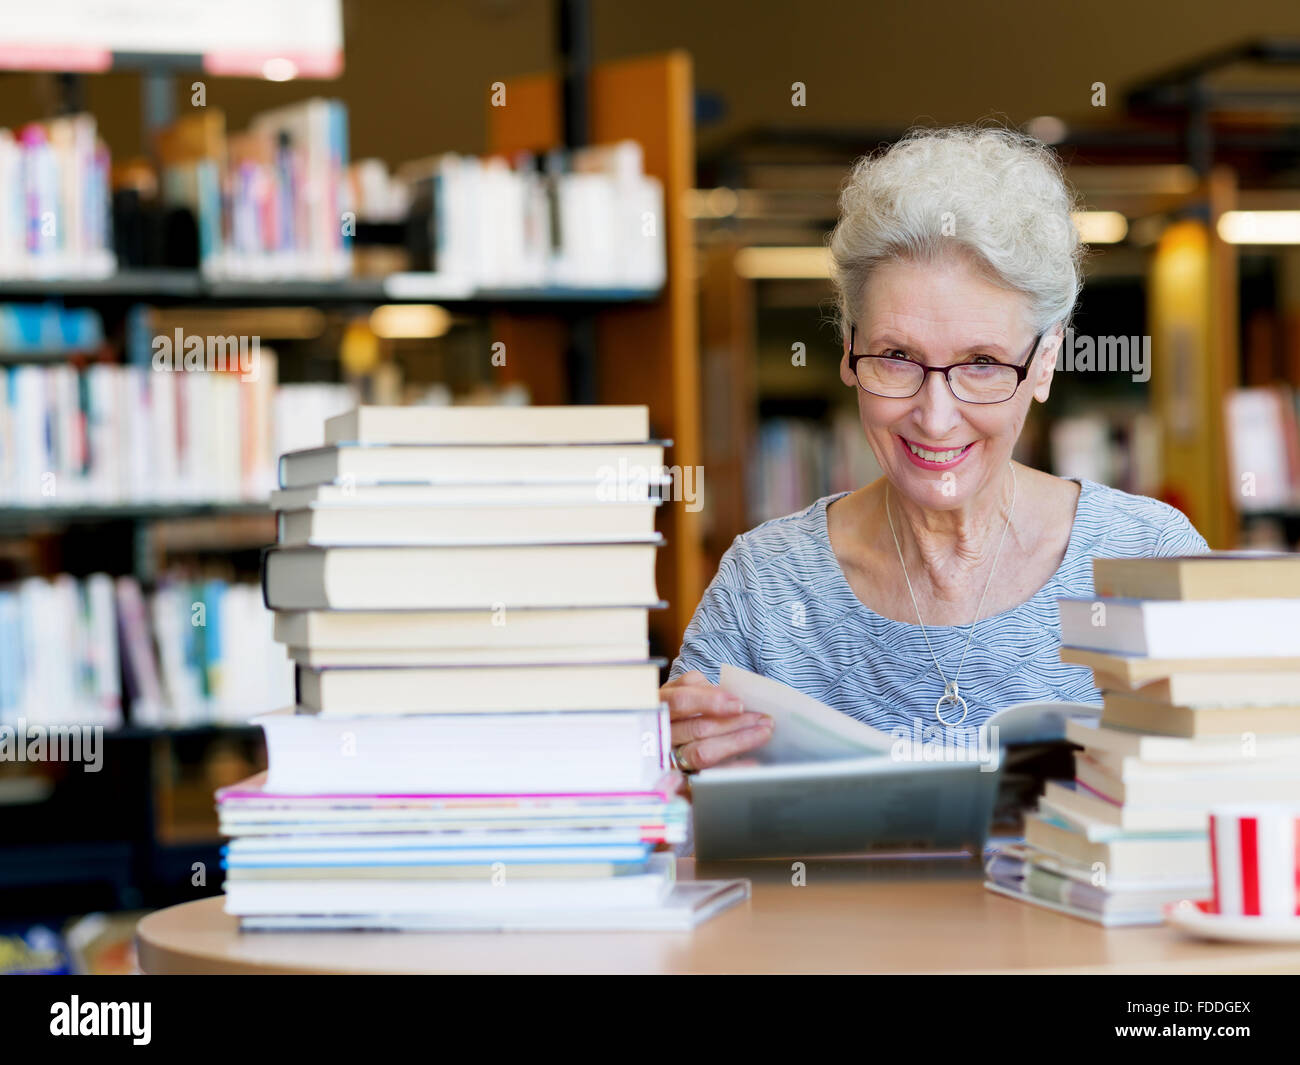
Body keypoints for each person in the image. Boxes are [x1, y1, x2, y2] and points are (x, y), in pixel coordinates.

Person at [662, 125, 1209, 773]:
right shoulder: (765, 584)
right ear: (848, 346)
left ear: (1044, 363)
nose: (935, 416)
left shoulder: (1147, 557)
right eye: (896, 357)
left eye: (981, 362)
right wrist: (671, 754)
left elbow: (1242, 795)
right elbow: (674, 824)